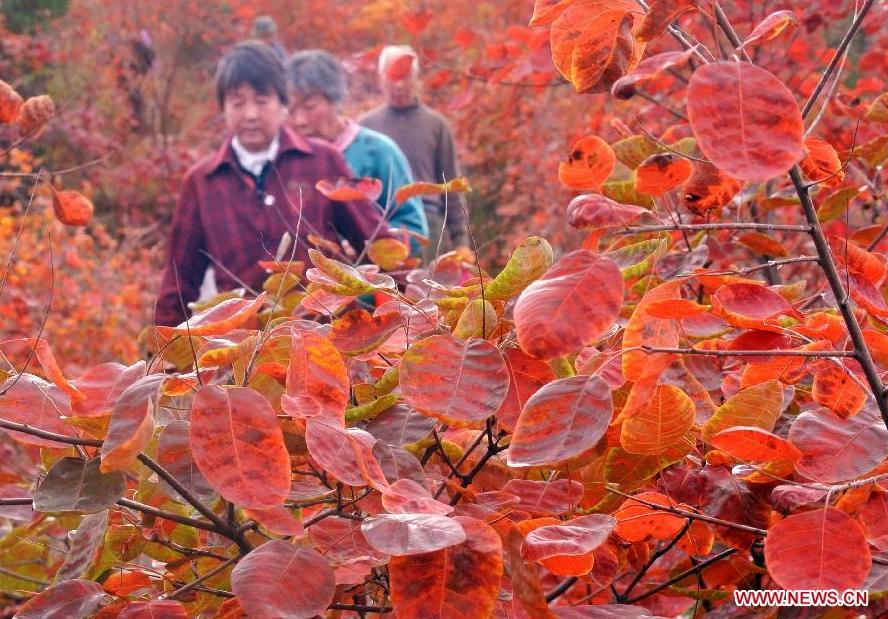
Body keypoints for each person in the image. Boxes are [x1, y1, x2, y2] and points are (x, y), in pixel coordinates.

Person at [154, 41, 391, 326]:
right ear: (223, 109)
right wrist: (166, 353)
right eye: (238, 103)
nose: (251, 114)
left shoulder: (323, 162)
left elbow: (375, 241)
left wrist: (406, 319)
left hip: (327, 337)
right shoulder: (203, 183)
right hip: (245, 350)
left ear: (282, 105)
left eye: (262, 101)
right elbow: (180, 280)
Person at [285, 50, 428, 255]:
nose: (299, 120)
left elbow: (413, 229)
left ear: (336, 100)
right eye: (290, 111)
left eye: (309, 107)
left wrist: (368, 251)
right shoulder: (287, 160)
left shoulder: (379, 152)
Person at [359, 45, 470, 263]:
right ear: (380, 79)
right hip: (380, 225)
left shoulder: (437, 125)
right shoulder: (365, 127)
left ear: (417, 78)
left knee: (427, 293)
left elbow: (451, 185)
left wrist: (461, 241)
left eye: (406, 77)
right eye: (393, 77)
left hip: (429, 224)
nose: (399, 84)